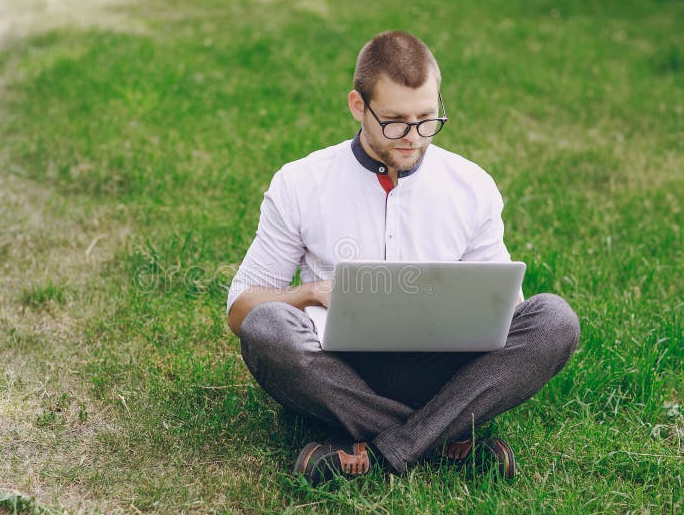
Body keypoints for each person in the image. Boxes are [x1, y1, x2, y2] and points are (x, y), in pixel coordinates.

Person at [225, 31, 580, 484]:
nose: (413, 137)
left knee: (555, 320)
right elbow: (240, 311)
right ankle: (444, 440)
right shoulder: (300, 183)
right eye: (394, 121)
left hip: (445, 369)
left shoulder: (471, 186)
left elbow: (507, 311)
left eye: (427, 119)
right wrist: (312, 292)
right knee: (267, 328)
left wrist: (475, 305)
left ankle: (376, 449)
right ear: (358, 106)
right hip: (339, 370)